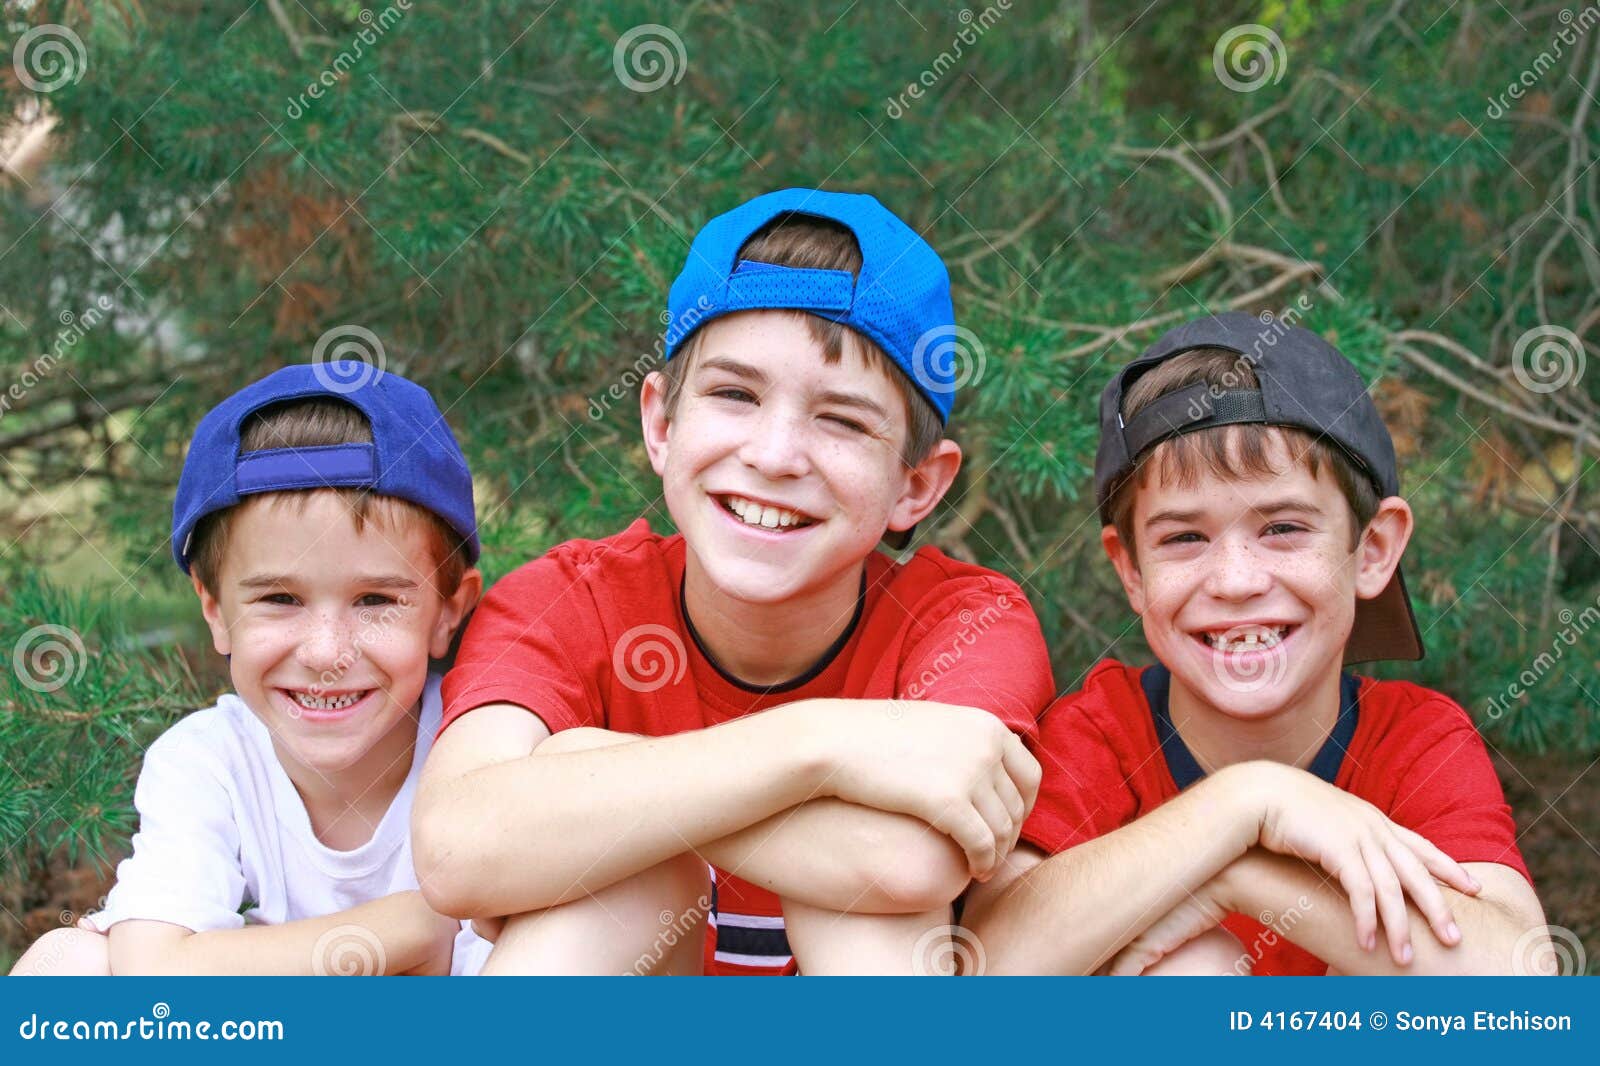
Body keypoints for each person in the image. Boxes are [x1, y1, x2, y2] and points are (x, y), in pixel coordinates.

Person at [414, 188, 1052, 975]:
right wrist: (818, 746)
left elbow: (907, 865)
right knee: (634, 887)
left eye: (844, 420)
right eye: (734, 395)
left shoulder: (965, 622)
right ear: (660, 423)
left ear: (916, 485)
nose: (775, 454)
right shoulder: (568, 599)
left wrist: (584, 767)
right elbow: (455, 849)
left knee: (873, 919)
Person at [965, 312, 1550, 975]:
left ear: (1374, 549)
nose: (1237, 582)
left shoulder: (1415, 741)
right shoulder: (1102, 734)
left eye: (1283, 528)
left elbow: (1519, 977)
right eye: (1184, 538)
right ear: (1131, 569)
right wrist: (1251, 802)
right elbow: (986, 967)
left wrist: (1236, 876)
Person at [10, 363, 489, 976]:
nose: (325, 652)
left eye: (376, 601)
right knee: (61, 965)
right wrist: (414, 929)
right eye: (280, 600)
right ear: (215, 610)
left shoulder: (481, 746)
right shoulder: (209, 760)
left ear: (450, 610)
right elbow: (152, 973)